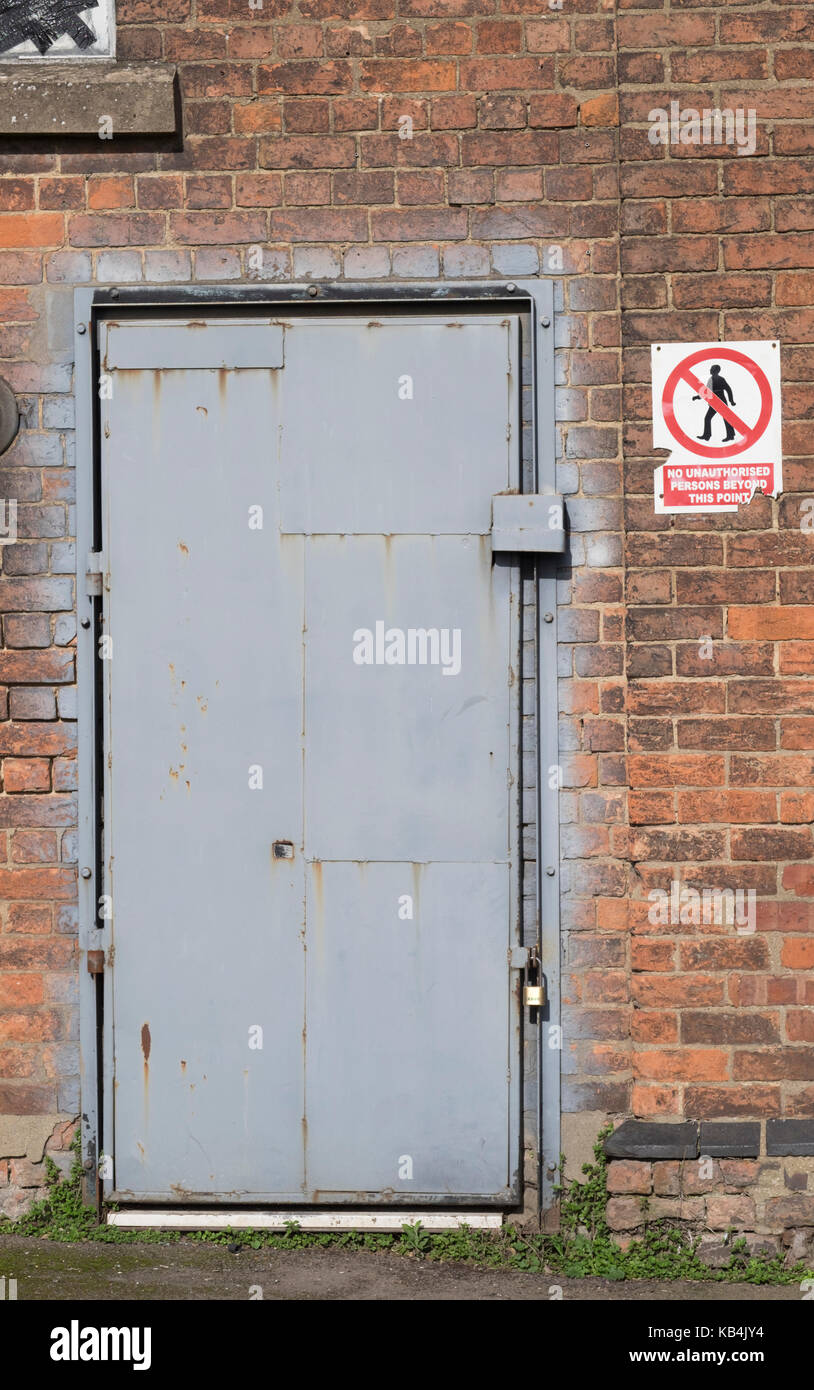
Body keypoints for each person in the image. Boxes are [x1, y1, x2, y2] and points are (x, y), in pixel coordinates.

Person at [693, 364, 736, 442]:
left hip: (720, 401)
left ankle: (730, 436)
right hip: (714, 402)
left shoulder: (721, 379)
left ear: (715, 371)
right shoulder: (710, 379)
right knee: (708, 418)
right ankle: (707, 435)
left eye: (711, 369)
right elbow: (706, 391)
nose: (710, 370)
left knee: (726, 418)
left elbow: (728, 389)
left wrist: (731, 400)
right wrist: (697, 397)